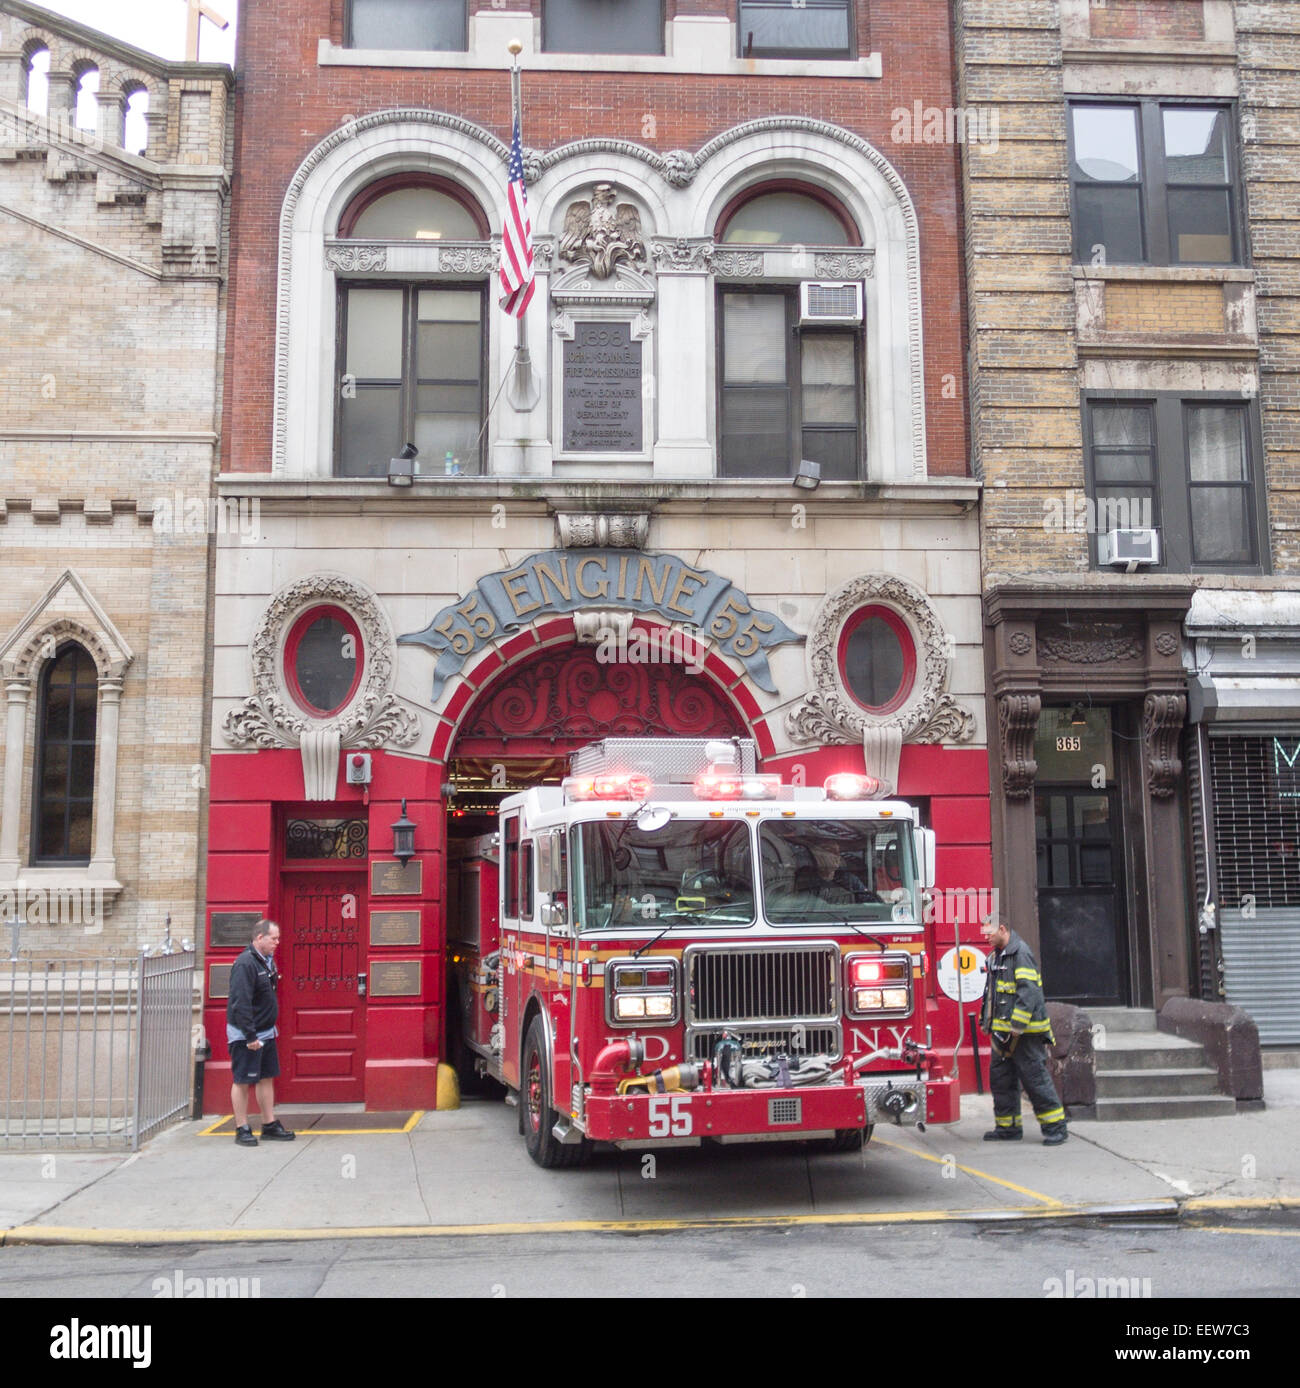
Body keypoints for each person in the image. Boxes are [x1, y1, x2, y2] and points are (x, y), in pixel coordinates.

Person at [978, 916, 1067, 1145]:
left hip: (1023, 1034)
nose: (985, 937)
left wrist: (1017, 1025)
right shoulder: (997, 956)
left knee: (1035, 1079)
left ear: (1002, 928)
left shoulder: (1021, 954)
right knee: (1001, 1079)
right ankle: (1008, 1127)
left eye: (989, 932)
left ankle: (1055, 1128)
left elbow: (1028, 993)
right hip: (1002, 1034)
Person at [226, 919, 295, 1147]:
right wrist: (250, 1035)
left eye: (278, 938)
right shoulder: (246, 963)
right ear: (259, 938)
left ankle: (269, 1124)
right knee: (243, 1080)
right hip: (247, 1034)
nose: (277, 942)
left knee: (266, 1077)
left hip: (265, 1031)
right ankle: (242, 1128)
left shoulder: (266, 961)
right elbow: (240, 1002)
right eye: (273, 938)